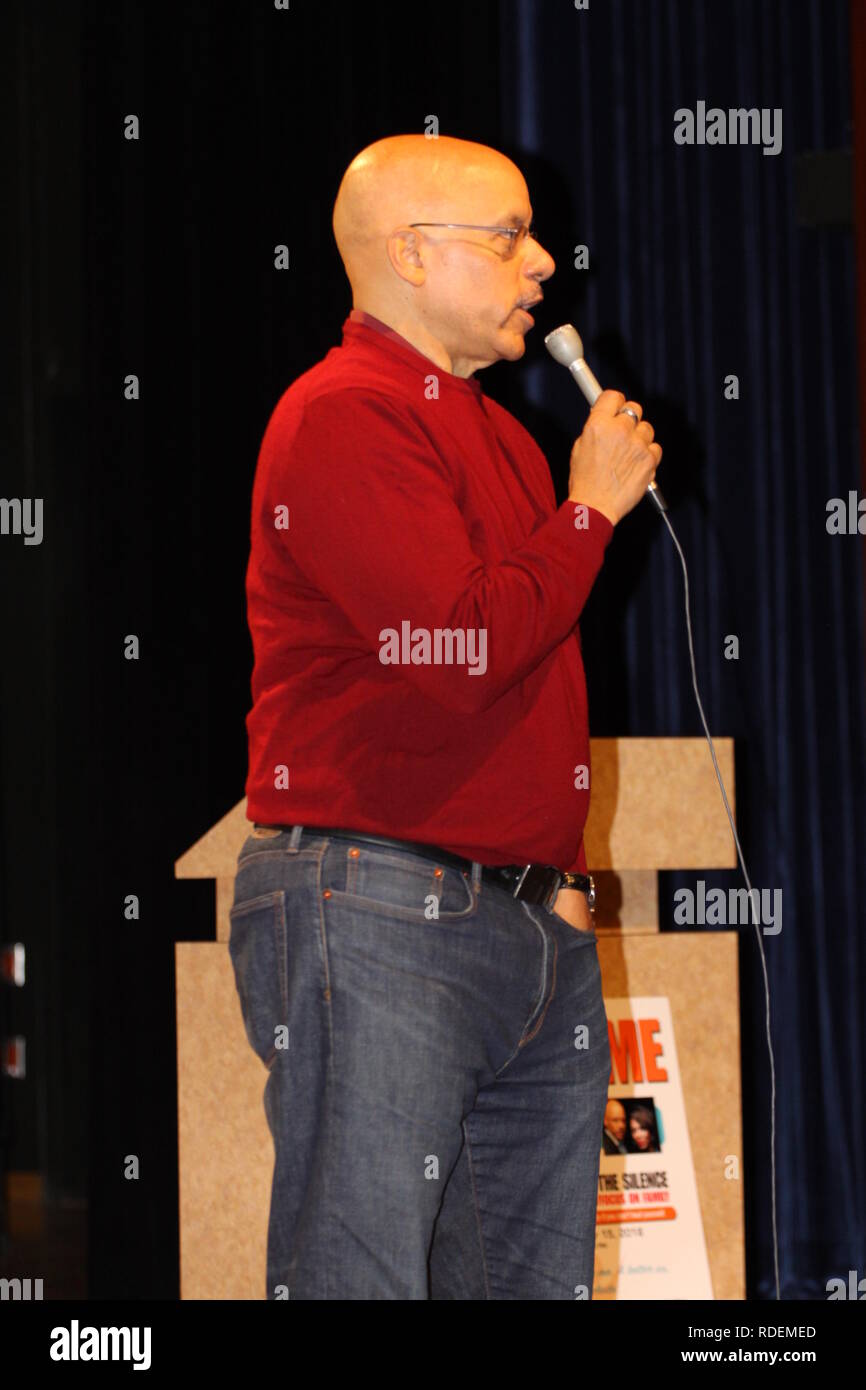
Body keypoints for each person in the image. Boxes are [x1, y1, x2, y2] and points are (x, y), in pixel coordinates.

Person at [229, 133, 661, 1300]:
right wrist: (587, 514)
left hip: (523, 929)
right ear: (412, 253)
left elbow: (519, 681)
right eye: (508, 236)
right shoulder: (344, 415)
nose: (540, 266)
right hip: (380, 910)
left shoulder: (497, 432)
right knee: (359, 1280)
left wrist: (561, 886)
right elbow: (462, 649)